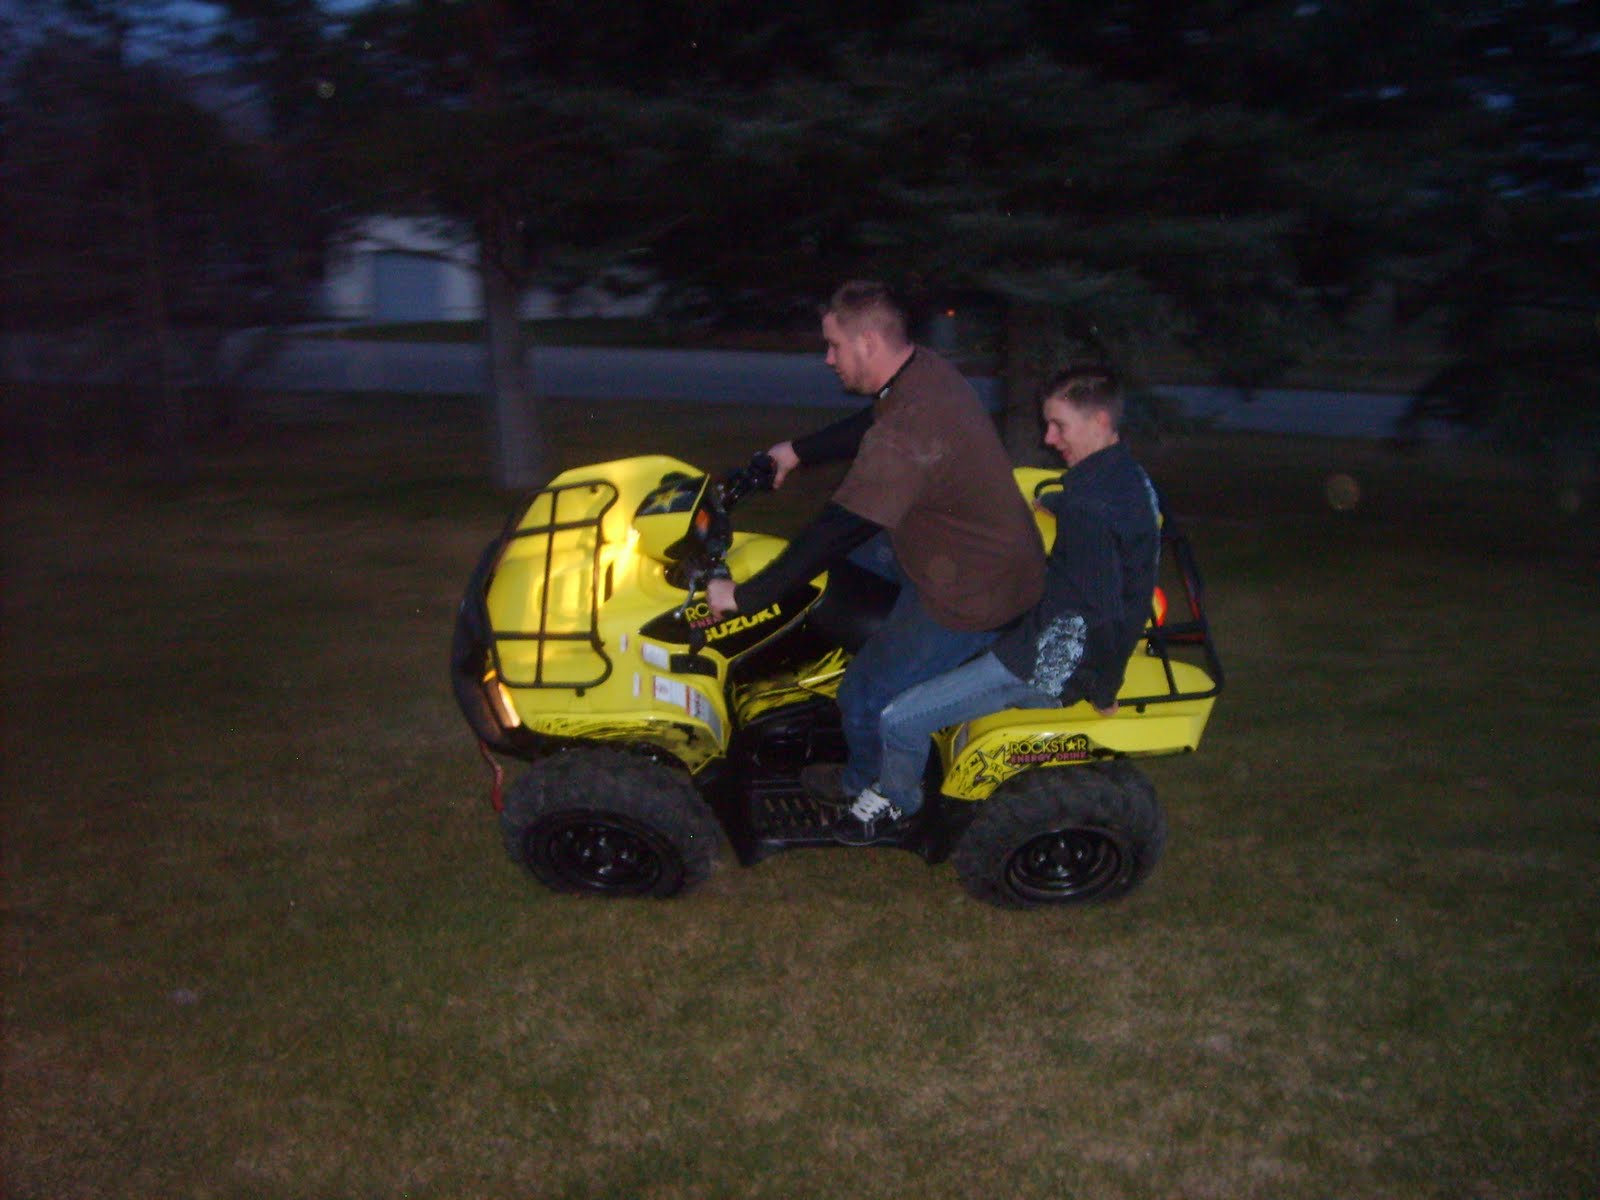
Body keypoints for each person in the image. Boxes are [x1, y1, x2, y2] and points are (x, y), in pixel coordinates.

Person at [706, 280, 1045, 803]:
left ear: (867, 343)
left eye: (834, 345)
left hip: (971, 593)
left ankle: (874, 791)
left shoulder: (909, 429)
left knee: (863, 696)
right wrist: (797, 451)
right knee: (824, 573)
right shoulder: (921, 372)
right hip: (950, 547)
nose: (827, 359)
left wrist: (743, 597)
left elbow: (837, 527)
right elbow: (872, 422)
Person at [830, 364, 1162, 844]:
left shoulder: (1090, 510)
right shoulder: (1123, 481)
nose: (1050, 438)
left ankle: (898, 802)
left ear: (1100, 423)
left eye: (1059, 426)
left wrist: (1104, 687)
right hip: (1044, 633)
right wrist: (1058, 502)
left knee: (899, 718)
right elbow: (1131, 569)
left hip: (1040, 664)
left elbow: (1111, 612)